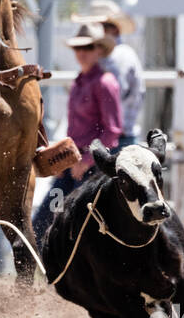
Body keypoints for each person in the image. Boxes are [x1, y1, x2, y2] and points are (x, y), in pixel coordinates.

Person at [33, 22, 123, 242]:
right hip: (73, 161)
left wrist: (87, 160)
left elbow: (111, 132)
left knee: (81, 225)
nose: (82, 53)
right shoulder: (79, 82)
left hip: (92, 167)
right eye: (78, 48)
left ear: (99, 50)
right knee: (44, 220)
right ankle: (50, 271)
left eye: (88, 48)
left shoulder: (105, 83)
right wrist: (65, 159)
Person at [72, 0, 145, 146]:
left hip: (113, 141)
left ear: (114, 29)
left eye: (99, 25)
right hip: (111, 139)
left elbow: (111, 100)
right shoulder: (118, 54)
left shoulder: (116, 56)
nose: (94, 30)